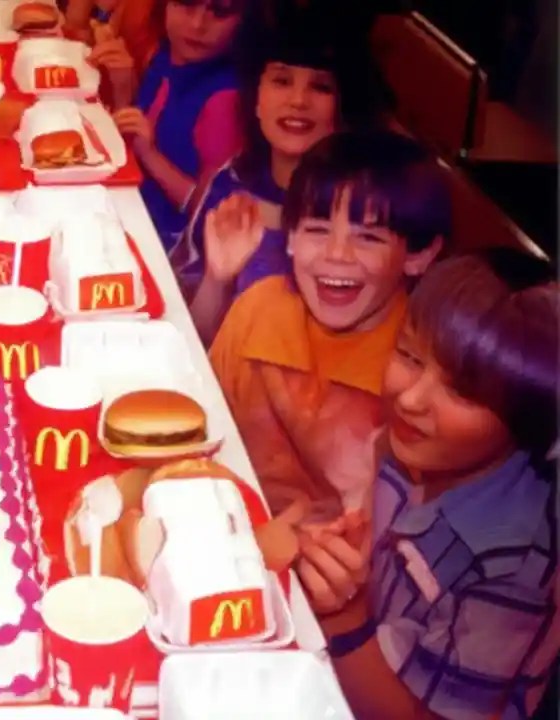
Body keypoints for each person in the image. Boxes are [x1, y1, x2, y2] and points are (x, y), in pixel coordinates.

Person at [296, 249, 559, 720]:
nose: (411, 399)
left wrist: (344, 619)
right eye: (409, 355)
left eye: (462, 391)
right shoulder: (414, 444)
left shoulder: (511, 568)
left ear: (523, 417)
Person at [208, 130, 449, 521]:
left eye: (368, 238)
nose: (337, 255)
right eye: (317, 230)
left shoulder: (416, 384)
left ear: (418, 255)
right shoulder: (259, 307)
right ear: (289, 238)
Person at [181, 3, 388, 342]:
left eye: (321, 87)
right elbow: (194, 336)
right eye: (281, 80)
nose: (298, 101)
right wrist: (218, 280)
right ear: (256, 99)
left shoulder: (363, 217)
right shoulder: (231, 182)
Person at [96, 0, 246, 246]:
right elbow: (138, 135)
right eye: (186, 4)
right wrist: (123, 86)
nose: (197, 25)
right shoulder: (164, 55)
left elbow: (209, 213)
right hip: (128, 209)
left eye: (220, 12)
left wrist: (150, 155)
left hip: (165, 246)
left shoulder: (225, 99)